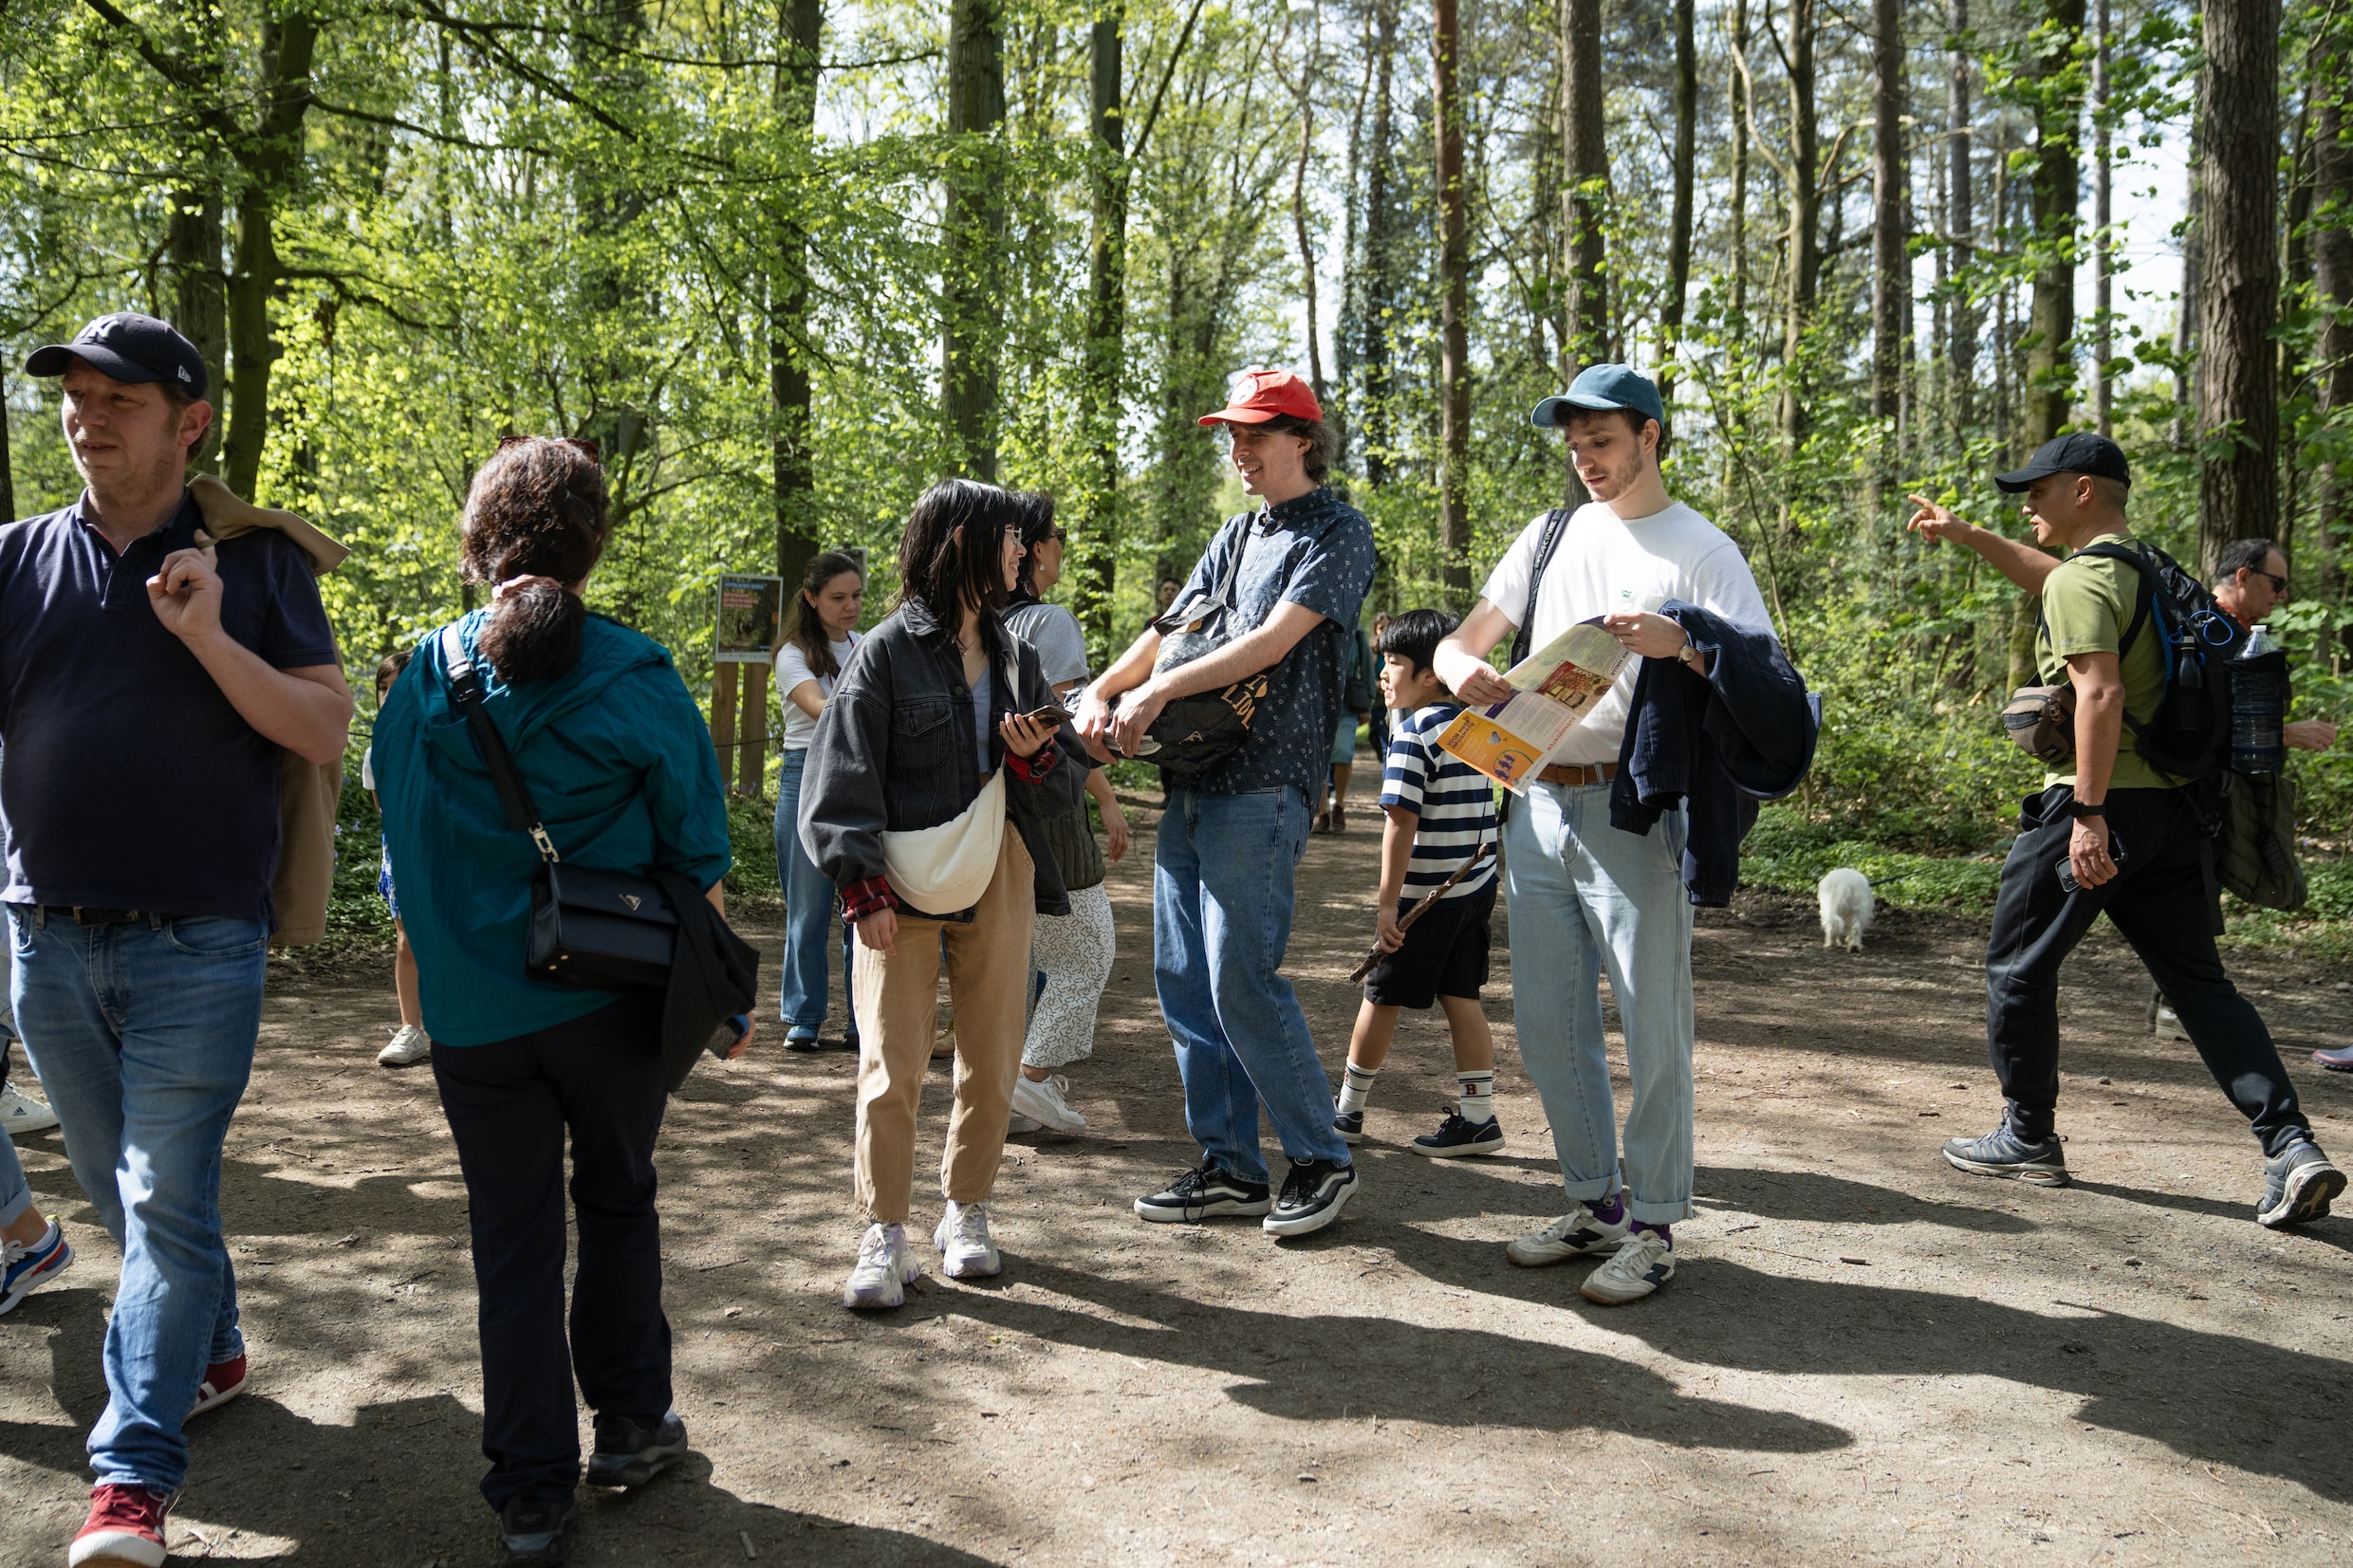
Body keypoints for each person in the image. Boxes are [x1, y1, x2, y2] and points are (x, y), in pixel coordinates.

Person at [7, 312, 352, 1567]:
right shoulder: (15, 559)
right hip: (41, 938)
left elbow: (322, 729)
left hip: (197, 943)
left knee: (159, 1203)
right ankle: (213, 1344)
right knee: (124, 1194)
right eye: (76, 396)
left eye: (121, 399)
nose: (87, 417)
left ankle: (131, 1482)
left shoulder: (253, 568)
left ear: (190, 421)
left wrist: (205, 633)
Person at [375, 435, 744, 1564]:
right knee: (620, 1198)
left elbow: (403, 852)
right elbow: (697, 851)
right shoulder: (634, 674)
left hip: (472, 1019)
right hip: (609, 999)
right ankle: (631, 1425)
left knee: (512, 1239)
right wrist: (718, 994)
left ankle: (529, 1490)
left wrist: (452, 980)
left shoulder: (420, 682)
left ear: (476, 545)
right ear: (593, 546)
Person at [1908, 434, 2343, 1228]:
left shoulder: (2088, 580)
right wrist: (1968, 535)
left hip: (2099, 806)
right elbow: (2050, 577)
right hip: (2177, 817)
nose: (2027, 504)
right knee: (2201, 987)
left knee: (2016, 967)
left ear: (2082, 490)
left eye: (2038, 490)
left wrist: (2087, 814)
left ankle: (2027, 1136)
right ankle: (2291, 1145)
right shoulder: (2150, 572)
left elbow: (2100, 695)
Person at [1432, 363, 1774, 1305]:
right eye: (1575, 444)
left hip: (1637, 812)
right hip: (1535, 801)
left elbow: (1764, 676)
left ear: (1650, 437)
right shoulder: (1550, 535)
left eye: (1603, 442)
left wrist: (1686, 644)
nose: (1585, 460)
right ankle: (1596, 1205)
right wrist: (1459, 671)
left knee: (1652, 1024)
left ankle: (1655, 1227)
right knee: (1548, 1023)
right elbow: (1461, 640)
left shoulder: (1701, 550)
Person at [1076, 367, 1376, 1239]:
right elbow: (1169, 629)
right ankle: (1232, 1165)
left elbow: (1272, 641)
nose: (1239, 449)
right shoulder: (1237, 533)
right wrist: (1103, 687)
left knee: (1239, 973)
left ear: (1304, 442)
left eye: (1255, 434)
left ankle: (1321, 1156)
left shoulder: (1340, 531)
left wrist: (1157, 693)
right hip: (1194, 779)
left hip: (1267, 782)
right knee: (1183, 978)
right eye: (1233, 436)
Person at [801, 479, 1087, 1309]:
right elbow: (841, 774)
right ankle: (884, 1231)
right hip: (895, 884)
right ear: (965, 540)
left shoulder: (1018, 657)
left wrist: (1036, 757)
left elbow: (1061, 787)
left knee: (992, 1058)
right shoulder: (884, 653)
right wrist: (862, 889)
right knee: (890, 1065)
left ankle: (966, 1208)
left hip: (1000, 870)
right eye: (1010, 537)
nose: (1022, 551)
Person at [1330, 608, 1503, 1157]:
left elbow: (1400, 823)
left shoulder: (1413, 734)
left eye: (1394, 662)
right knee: (1461, 995)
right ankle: (1478, 1117)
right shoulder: (1475, 726)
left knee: (1380, 997)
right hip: (1473, 888)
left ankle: (1345, 1113)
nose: (1383, 673)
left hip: (1424, 899)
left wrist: (1388, 908)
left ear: (1431, 674)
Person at [1001, 492, 1127, 1136]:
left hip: (991, 814)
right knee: (1087, 952)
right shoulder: (1050, 623)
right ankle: (1031, 1077)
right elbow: (1064, 729)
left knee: (1019, 958)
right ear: (1033, 550)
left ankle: (1009, 1095)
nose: (1059, 550)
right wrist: (1107, 790)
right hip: (1047, 810)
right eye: (1057, 538)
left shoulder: (976, 621)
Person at [772, 551, 865, 1050]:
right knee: (807, 909)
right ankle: (804, 1016)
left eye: (856, 596)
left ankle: (861, 1020)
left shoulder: (865, 646)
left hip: (858, 777)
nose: (850, 606)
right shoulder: (792, 654)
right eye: (838, 597)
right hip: (804, 775)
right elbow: (821, 710)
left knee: (862, 906)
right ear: (811, 598)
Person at [361, 649, 430, 1068]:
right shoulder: (376, 753)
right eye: (383, 688)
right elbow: (384, 812)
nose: (389, 695)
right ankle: (412, 1030)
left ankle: (470, 1024)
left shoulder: (450, 739)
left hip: (452, 849)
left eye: (400, 686)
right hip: (403, 850)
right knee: (408, 941)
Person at [1316, 620, 1375, 833]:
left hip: (1346, 705)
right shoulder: (1313, 623)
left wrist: (1366, 702)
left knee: (1343, 754)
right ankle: (1322, 813)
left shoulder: (1357, 632)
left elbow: (1367, 669)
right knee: (1318, 759)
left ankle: (1338, 805)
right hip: (1315, 704)